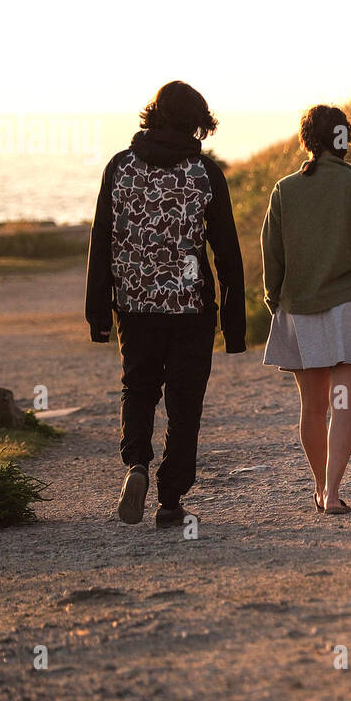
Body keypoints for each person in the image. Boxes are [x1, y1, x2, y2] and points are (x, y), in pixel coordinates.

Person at [85, 80, 246, 528]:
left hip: (134, 306)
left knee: (137, 389)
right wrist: (234, 326)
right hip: (190, 308)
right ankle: (170, 500)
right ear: (197, 123)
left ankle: (135, 464)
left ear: (152, 116)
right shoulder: (204, 174)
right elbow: (227, 254)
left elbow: (101, 241)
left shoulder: (119, 168)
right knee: (184, 404)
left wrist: (97, 311)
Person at [261, 105, 351, 515]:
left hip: (301, 310)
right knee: (342, 406)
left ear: (307, 142)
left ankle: (319, 486)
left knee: (313, 408)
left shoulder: (285, 190)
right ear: (345, 140)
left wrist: (276, 300)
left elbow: (273, 256)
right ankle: (333, 492)